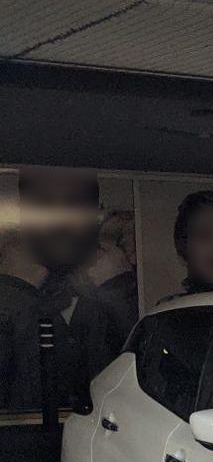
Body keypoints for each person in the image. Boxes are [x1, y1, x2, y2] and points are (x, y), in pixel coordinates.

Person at [0, 168, 137, 412]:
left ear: (97, 214)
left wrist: (118, 288)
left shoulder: (127, 284)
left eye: (74, 206)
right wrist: (15, 291)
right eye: (44, 206)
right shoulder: (9, 293)